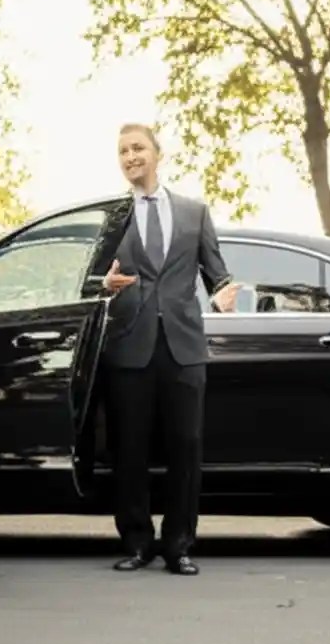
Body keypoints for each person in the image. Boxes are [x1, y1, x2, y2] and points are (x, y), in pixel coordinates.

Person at [99, 123, 239, 576]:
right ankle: (138, 542)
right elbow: (89, 278)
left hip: (183, 346)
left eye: (137, 148)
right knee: (130, 450)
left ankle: (179, 545)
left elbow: (216, 273)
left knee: (185, 448)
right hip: (129, 346)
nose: (130, 157)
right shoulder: (111, 216)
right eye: (122, 151)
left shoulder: (194, 213)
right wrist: (102, 283)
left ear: (157, 154)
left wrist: (222, 293)